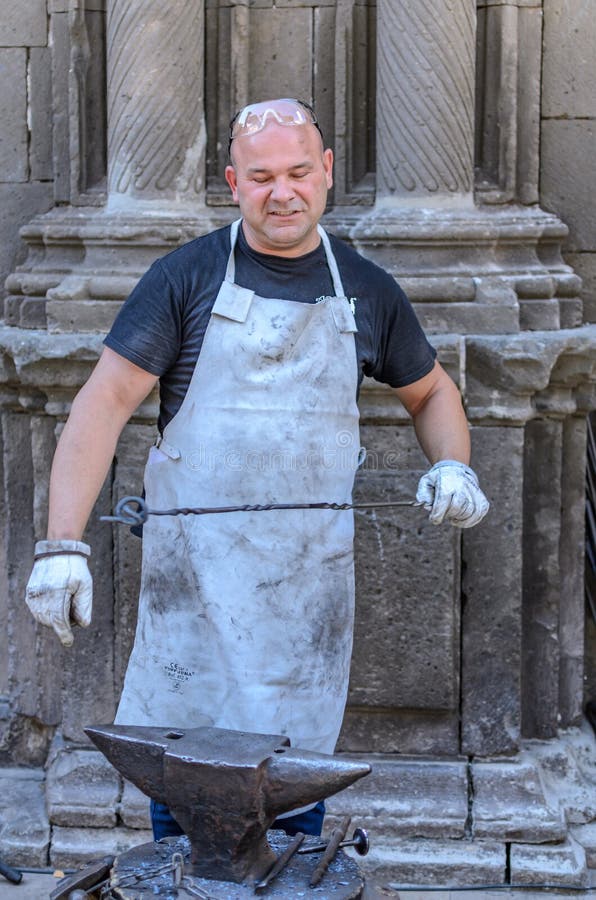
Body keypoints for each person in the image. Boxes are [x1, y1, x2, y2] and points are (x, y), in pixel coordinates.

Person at [25, 98, 489, 840]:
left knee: (290, 786)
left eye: (299, 172)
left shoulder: (366, 289)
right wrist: (61, 547)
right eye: (263, 176)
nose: (283, 193)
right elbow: (102, 404)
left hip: (306, 591)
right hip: (193, 583)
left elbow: (431, 391)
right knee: (184, 775)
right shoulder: (184, 278)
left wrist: (455, 466)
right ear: (233, 182)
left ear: (326, 171)